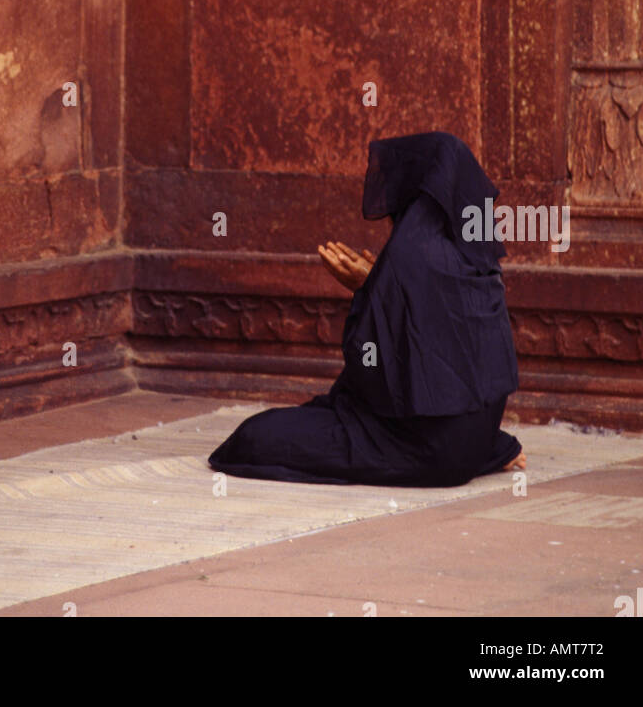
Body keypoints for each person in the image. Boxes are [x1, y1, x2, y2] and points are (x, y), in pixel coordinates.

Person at [208, 131, 525, 487]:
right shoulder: (481, 259)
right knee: (318, 416)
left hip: (426, 453)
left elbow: (374, 372)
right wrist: (381, 287)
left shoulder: (411, 254)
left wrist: (370, 291)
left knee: (254, 436)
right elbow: (468, 366)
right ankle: (494, 447)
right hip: (472, 447)